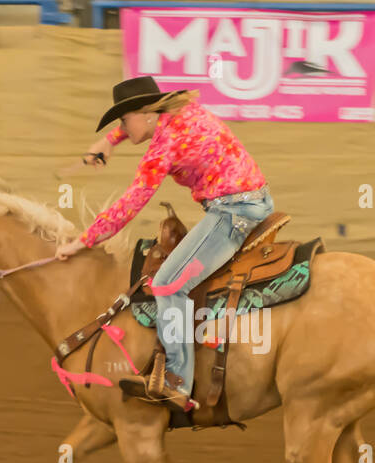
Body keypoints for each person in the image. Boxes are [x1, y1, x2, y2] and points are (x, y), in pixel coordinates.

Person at [54, 76, 273, 412]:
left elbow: (131, 203)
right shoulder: (181, 112)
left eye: (124, 120)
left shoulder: (163, 146)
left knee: (169, 284)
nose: (123, 127)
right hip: (242, 201)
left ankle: (177, 381)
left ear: (146, 114)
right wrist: (110, 140)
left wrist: (83, 242)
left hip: (234, 211)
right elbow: (136, 127)